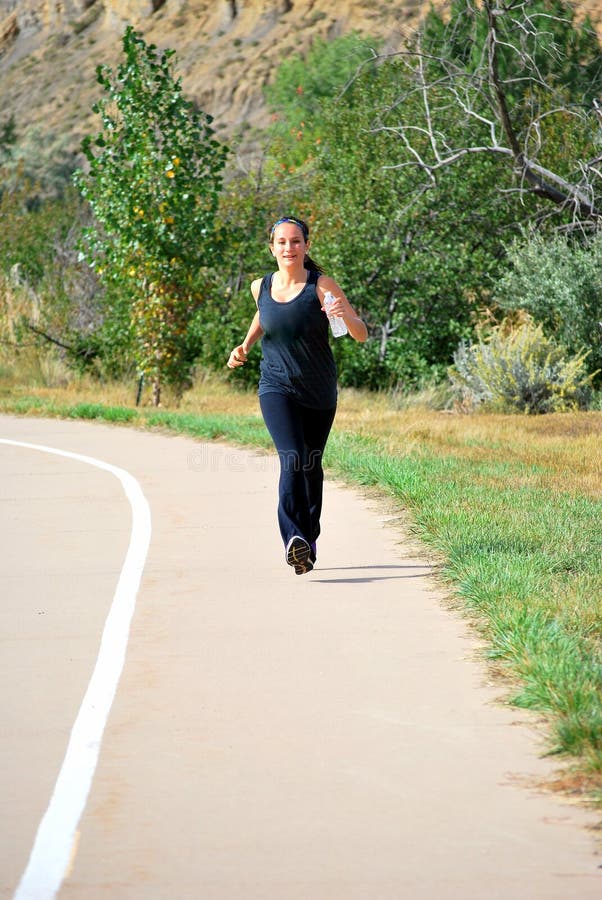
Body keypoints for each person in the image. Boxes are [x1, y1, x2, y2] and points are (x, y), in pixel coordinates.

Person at [227, 215, 367, 575]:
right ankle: (293, 538)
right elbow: (263, 315)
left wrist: (342, 316)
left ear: (306, 246)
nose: (289, 248)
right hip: (276, 387)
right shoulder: (261, 286)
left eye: (296, 242)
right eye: (282, 242)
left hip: (318, 391)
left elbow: (361, 333)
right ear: (272, 247)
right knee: (292, 458)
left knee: (311, 466)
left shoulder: (321, 286)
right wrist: (243, 346)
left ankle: (308, 540)